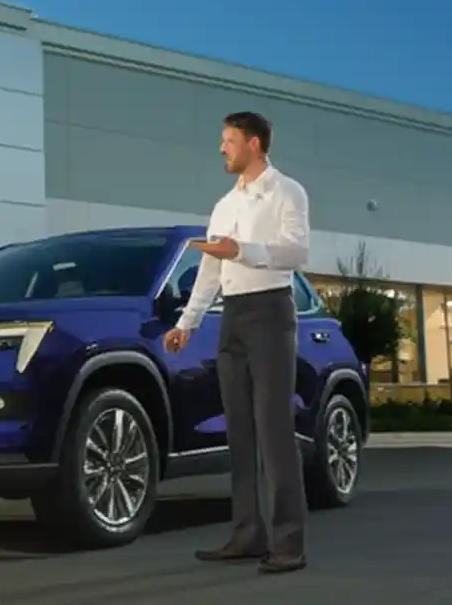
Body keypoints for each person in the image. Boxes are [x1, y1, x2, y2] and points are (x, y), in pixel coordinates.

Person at [163, 111, 311, 575]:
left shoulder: (287, 191)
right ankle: (248, 534)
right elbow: (211, 269)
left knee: (274, 429)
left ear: (254, 144)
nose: (221, 148)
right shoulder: (224, 204)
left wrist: (242, 251)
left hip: (271, 312)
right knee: (240, 431)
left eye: (229, 140)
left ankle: (289, 543)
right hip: (232, 318)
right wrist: (187, 323)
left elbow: (297, 251)